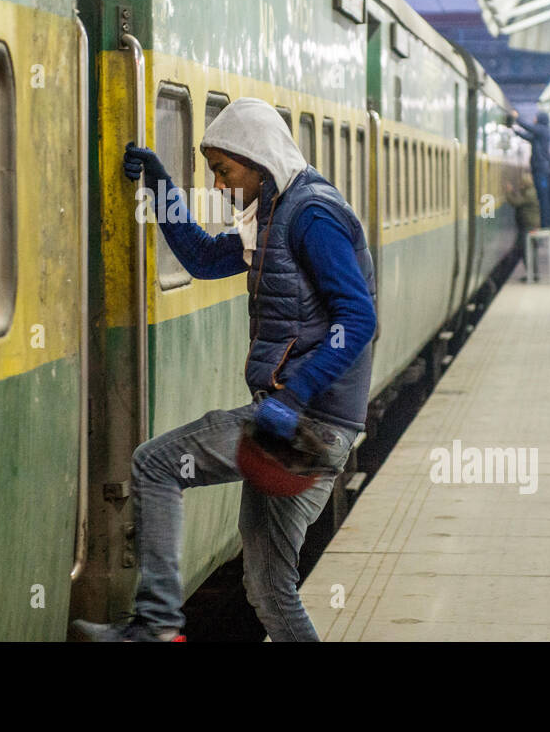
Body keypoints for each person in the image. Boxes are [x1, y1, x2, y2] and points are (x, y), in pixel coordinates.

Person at [71, 98, 376, 641]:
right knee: (268, 589)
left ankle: (157, 626)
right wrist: (161, 189)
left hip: (305, 423)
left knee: (155, 465)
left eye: (224, 171)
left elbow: (357, 318)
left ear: (257, 160)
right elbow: (206, 258)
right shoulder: (273, 216)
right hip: (301, 427)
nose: (218, 185)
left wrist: (292, 396)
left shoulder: (312, 214)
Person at [511, 110, 550, 228]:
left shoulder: (543, 130)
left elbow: (529, 128)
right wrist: (514, 130)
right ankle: (544, 223)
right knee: (541, 197)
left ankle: (545, 224)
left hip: (541, 169)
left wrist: (516, 117)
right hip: (539, 169)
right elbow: (527, 136)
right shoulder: (540, 134)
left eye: (536, 118)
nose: (534, 119)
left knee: (543, 197)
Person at [507, 173, 542, 281]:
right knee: (529, 250)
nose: (519, 184)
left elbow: (516, 202)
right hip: (529, 224)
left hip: (529, 225)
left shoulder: (529, 193)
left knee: (527, 251)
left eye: (521, 182)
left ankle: (533, 275)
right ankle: (533, 274)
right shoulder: (529, 192)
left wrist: (508, 192)